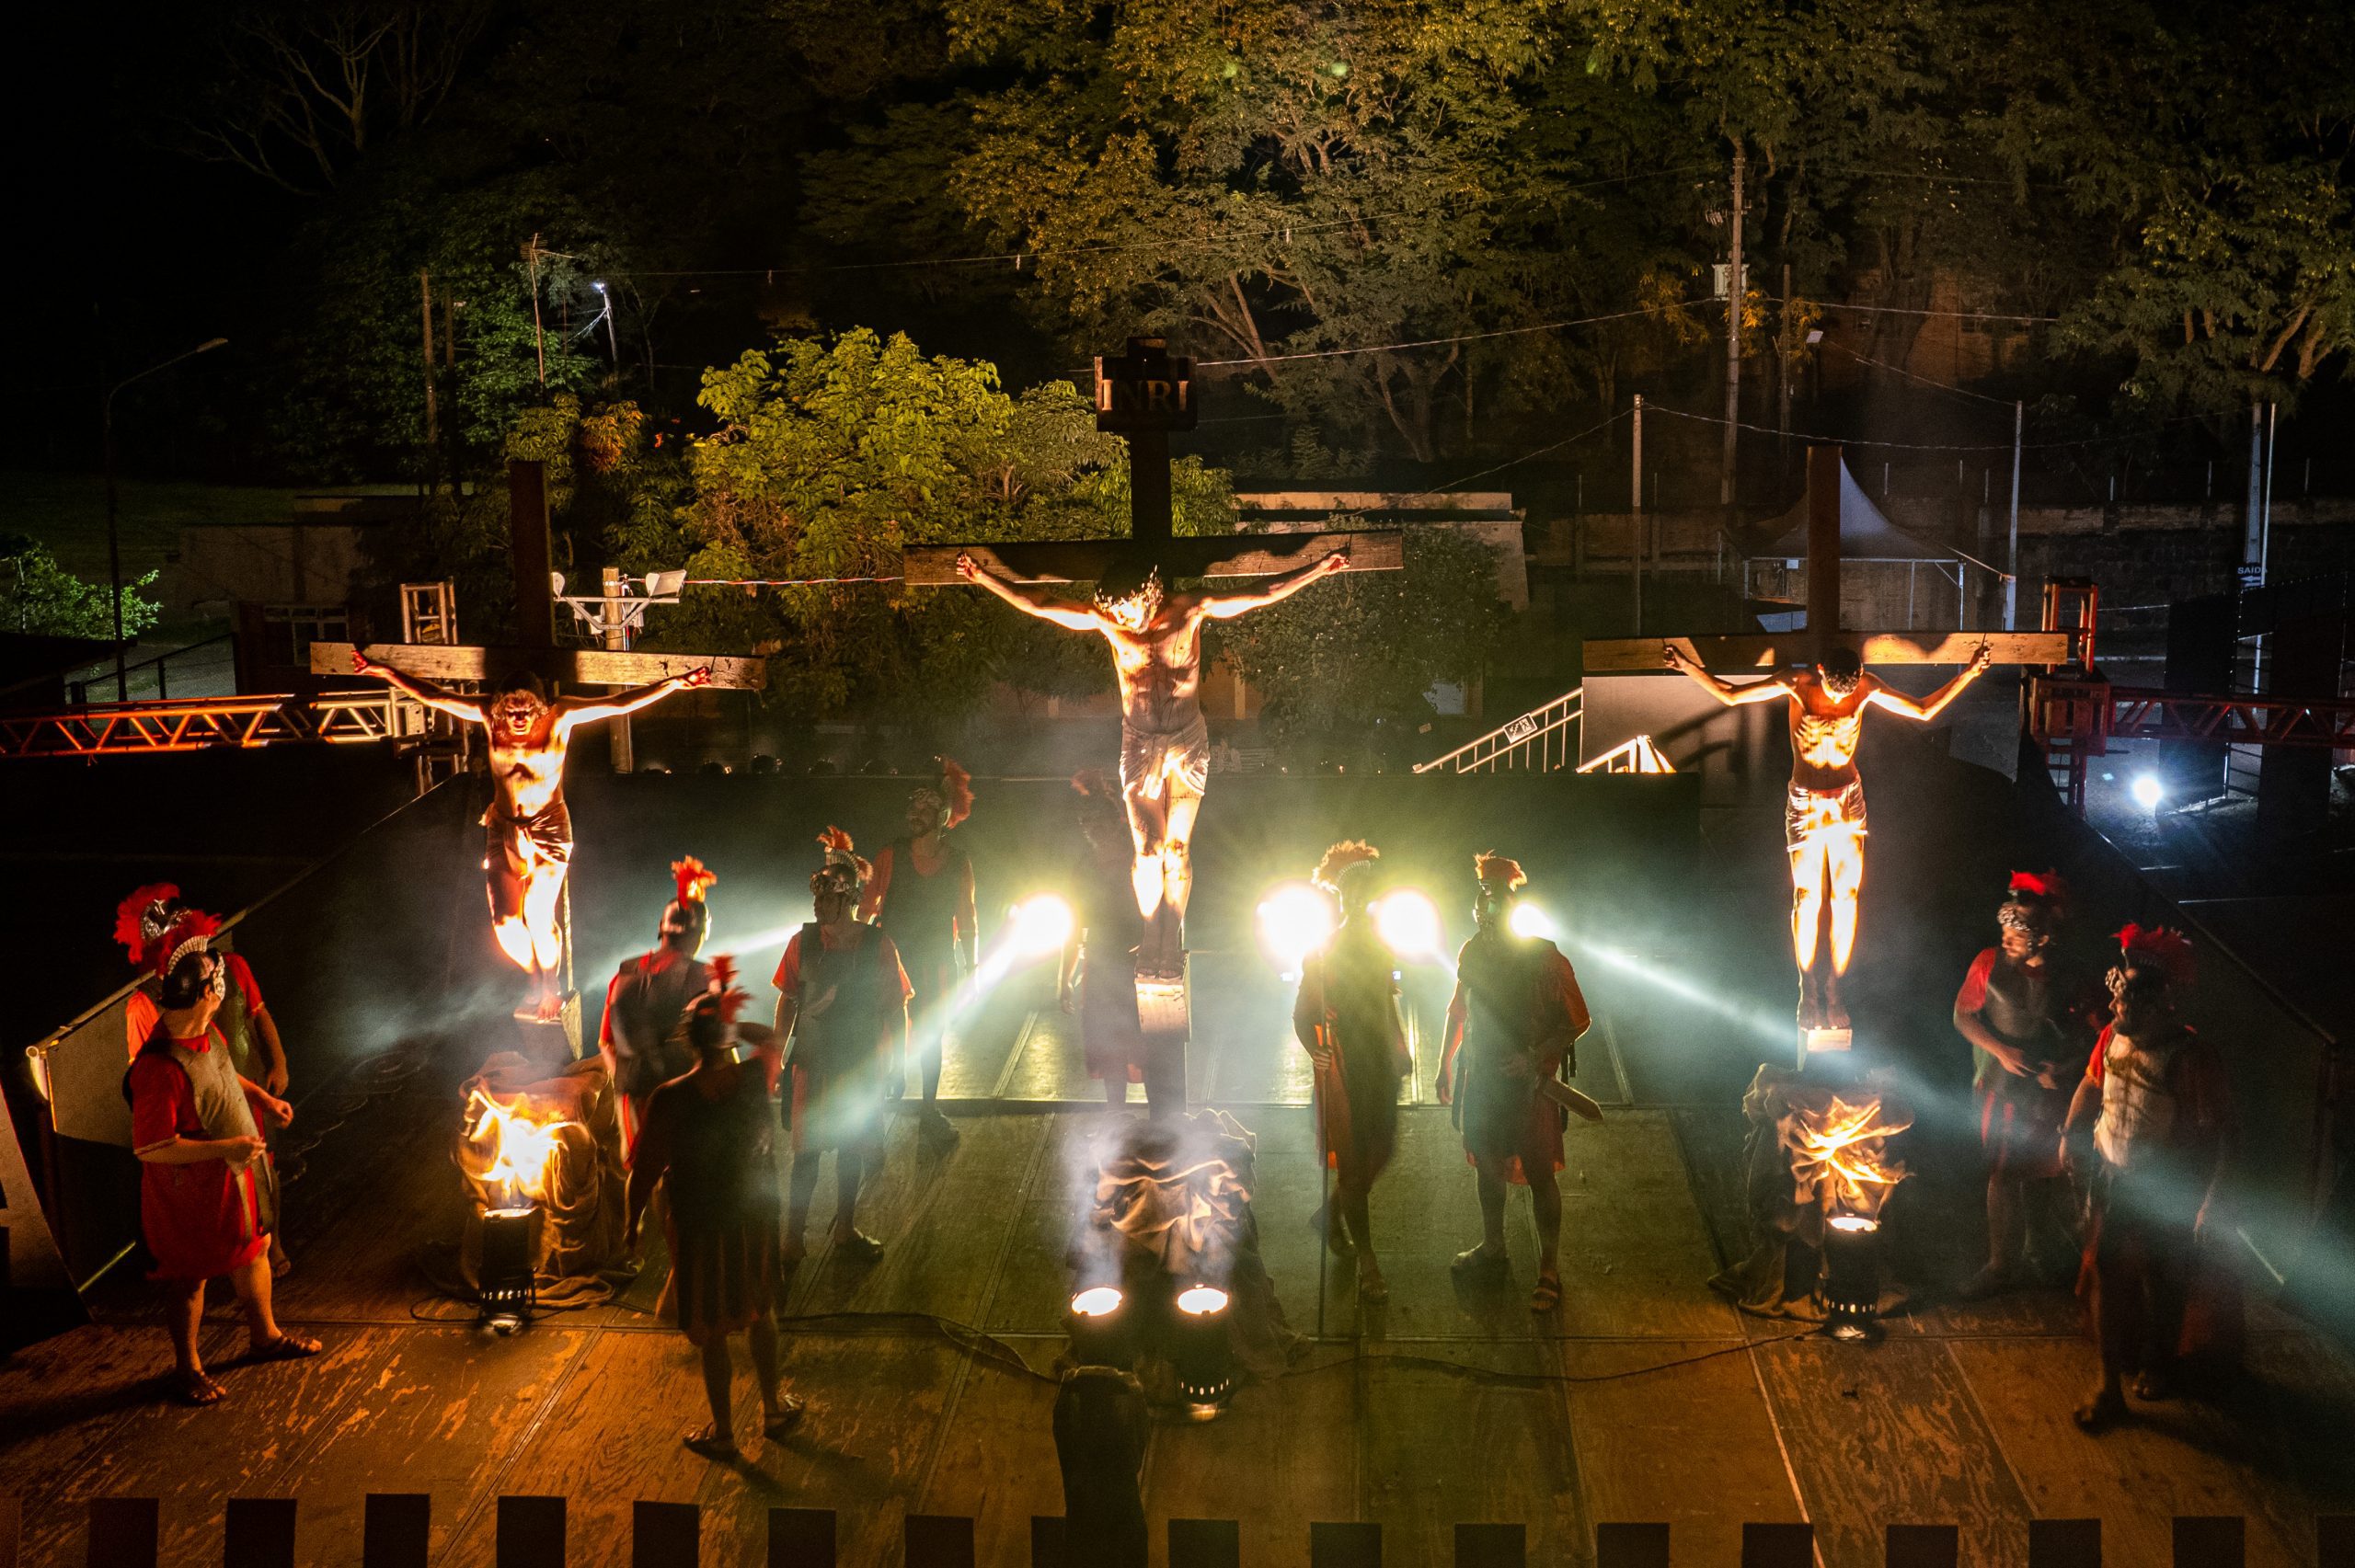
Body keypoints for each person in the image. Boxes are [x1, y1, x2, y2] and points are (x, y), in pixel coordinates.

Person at [959, 549, 1347, 975]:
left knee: (1177, 850)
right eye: (1117, 615)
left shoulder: (1190, 610)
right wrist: (983, 579)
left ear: (1149, 595)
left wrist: (1317, 570)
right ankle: (1150, 933)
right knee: (1149, 850)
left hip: (1186, 740)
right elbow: (1043, 605)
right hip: (1141, 743)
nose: (1124, 621)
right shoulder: (1108, 623)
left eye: (1128, 611)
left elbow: (1259, 592)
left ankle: (1170, 938)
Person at [350, 653, 711, 1021]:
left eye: (526, 710)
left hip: (548, 827)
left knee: (539, 914)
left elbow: (619, 704)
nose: (519, 718)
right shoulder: (487, 717)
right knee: (506, 923)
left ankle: (549, 984)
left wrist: (675, 684)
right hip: (503, 825)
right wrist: (384, 671)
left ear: (540, 707)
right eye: (512, 710)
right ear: (501, 708)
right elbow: (435, 696)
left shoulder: (562, 717)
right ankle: (533, 978)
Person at [1664, 639, 1993, 1028]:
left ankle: (1836, 987)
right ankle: (1807, 987)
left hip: (1847, 800)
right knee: (1807, 898)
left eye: (1847, 692)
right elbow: (1731, 695)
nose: (1842, 699)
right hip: (1805, 801)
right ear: (1820, 671)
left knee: (1846, 897)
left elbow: (1921, 710)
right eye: (1836, 692)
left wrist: (1970, 673)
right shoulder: (1797, 683)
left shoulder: (1866, 686)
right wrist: (1686, 665)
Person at [124, 912, 318, 1405]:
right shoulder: (158, 1068)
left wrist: (262, 1100)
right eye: (217, 978)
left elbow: (226, 1075)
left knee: (254, 1249)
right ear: (204, 990)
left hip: (237, 1178)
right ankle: (187, 1368)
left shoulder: (208, 1033)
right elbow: (153, 1147)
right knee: (190, 1277)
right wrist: (225, 1149)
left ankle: (265, 1337)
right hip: (191, 1194)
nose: (223, 985)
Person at [626, 957, 803, 1459]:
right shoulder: (753, 1079)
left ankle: (725, 1432)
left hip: (701, 1226)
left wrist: (630, 1226)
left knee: (714, 1330)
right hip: (753, 1221)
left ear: (688, 1041)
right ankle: (773, 1408)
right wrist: (733, 1021)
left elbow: (642, 1175)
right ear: (726, 1038)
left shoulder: (670, 1099)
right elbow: (773, 1039)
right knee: (761, 1310)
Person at [2060, 924, 2234, 1431]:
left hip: (2166, 1190)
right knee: (2110, 1275)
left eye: (2129, 1004)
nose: (2116, 1011)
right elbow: (2091, 1086)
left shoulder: (2192, 1059)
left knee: (2164, 1278)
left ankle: (2160, 1361)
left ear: (2162, 1006)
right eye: (2118, 1000)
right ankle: (2108, 1386)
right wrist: (2069, 1135)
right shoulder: (2110, 1038)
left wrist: (2207, 1203)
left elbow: (2221, 1138)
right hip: (2114, 1177)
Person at [1436, 853, 1591, 1313]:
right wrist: (1446, 1064)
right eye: (1483, 896)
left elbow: (1577, 1022)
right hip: (1481, 1083)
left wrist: (1534, 1058)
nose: (1488, 906)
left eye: (1497, 896)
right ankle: (1493, 1246)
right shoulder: (1472, 952)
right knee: (1487, 1166)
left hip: (1529, 1091)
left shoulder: (1543, 956)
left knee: (1541, 1175)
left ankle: (1548, 1269)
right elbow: (1458, 1009)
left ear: (1510, 902)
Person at [1952, 870, 2103, 1299]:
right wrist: (2000, 1051)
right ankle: (2001, 1264)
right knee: (2002, 1172)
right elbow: (1963, 1016)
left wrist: (2067, 1067)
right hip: (2002, 1089)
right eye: (2005, 928)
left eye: (2016, 933)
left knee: (2041, 1173)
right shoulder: (1989, 963)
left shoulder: (2070, 978)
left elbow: (2099, 1034)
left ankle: (2041, 1254)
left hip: (2049, 1095)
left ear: (2042, 937)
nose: (2007, 938)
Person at [773, 829, 912, 1264]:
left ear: (847, 899)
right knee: (807, 1156)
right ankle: (792, 1239)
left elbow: (896, 1009)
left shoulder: (878, 945)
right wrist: (777, 1060)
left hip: (859, 1063)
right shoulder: (803, 943)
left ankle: (845, 1231)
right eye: (815, 899)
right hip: (812, 1064)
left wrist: (898, 1064)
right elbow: (787, 1000)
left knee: (851, 1149)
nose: (816, 906)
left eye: (824, 899)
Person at [1292, 841, 1412, 1303]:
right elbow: (1303, 1016)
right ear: (1343, 899)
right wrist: (1314, 1052)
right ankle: (1368, 1261)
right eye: (1354, 893)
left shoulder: (1382, 947)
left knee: (1382, 1153)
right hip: (1343, 1066)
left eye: (1368, 892)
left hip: (1379, 1062)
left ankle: (1330, 1213)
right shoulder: (1321, 953)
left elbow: (1384, 1004)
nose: (1362, 901)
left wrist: (1398, 1045)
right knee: (1356, 1168)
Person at [860, 758, 979, 1147]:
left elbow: (968, 918)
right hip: (892, 962)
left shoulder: (959, 862)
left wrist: (972, 966)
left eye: (923, 810)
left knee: (930, 1036)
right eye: (912, 809)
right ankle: (875, 1110)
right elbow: (866, 909)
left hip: (936, 961)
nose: (914, 815)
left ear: (941, 816)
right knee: (882, 1036)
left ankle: (929, 1109)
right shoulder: (891, 855)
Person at [1060, 770, 1181, 1116]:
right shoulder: (1084, 867)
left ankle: (1163, 1118)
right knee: (1108, 1044)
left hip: (1137, 964)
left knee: (1147, 1042)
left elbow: (1159, 909)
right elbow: (1075, 925)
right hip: (1100, 965)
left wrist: (1157, 951)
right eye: (1086, 824)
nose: (1092, 830)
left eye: (1098, 822)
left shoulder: (1137, 859)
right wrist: (1064, 978)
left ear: (1115, 822)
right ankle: (1115, 1114)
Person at [116, 885, 290, 1095]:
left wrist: (279, 1063)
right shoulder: (144, 1004)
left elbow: (259, 1013)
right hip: (200, 1108)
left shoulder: (232, 965)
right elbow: (147, 1077)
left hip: (252, 1086)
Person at [602, 857, 718, 1162]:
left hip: (630, 1095)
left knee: (639, 1173)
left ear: (661, 929)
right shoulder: (706, 977)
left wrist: (629, 1082)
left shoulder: (623, 974)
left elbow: (605, 1042)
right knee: (680, 1177)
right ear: (700, 933)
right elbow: (719, 1047)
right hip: (682, 1097)